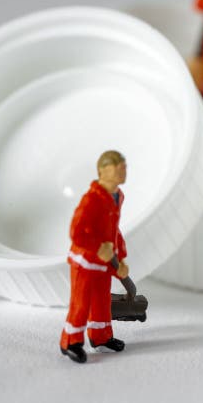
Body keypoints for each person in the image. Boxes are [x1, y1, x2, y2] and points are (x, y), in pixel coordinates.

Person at [60, 151, 130, 363]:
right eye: (120, 168)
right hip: (85, 262)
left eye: (125, 167)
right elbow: (77, 232)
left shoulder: (117, 196)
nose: (124, 172)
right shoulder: (91, 199)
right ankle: (70, 341)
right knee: (81, 303)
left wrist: (121, 258)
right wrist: (99, 248)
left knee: (101, 302)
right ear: (104, 171)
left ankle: (101, 337)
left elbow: (114, 231)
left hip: (104, 263)